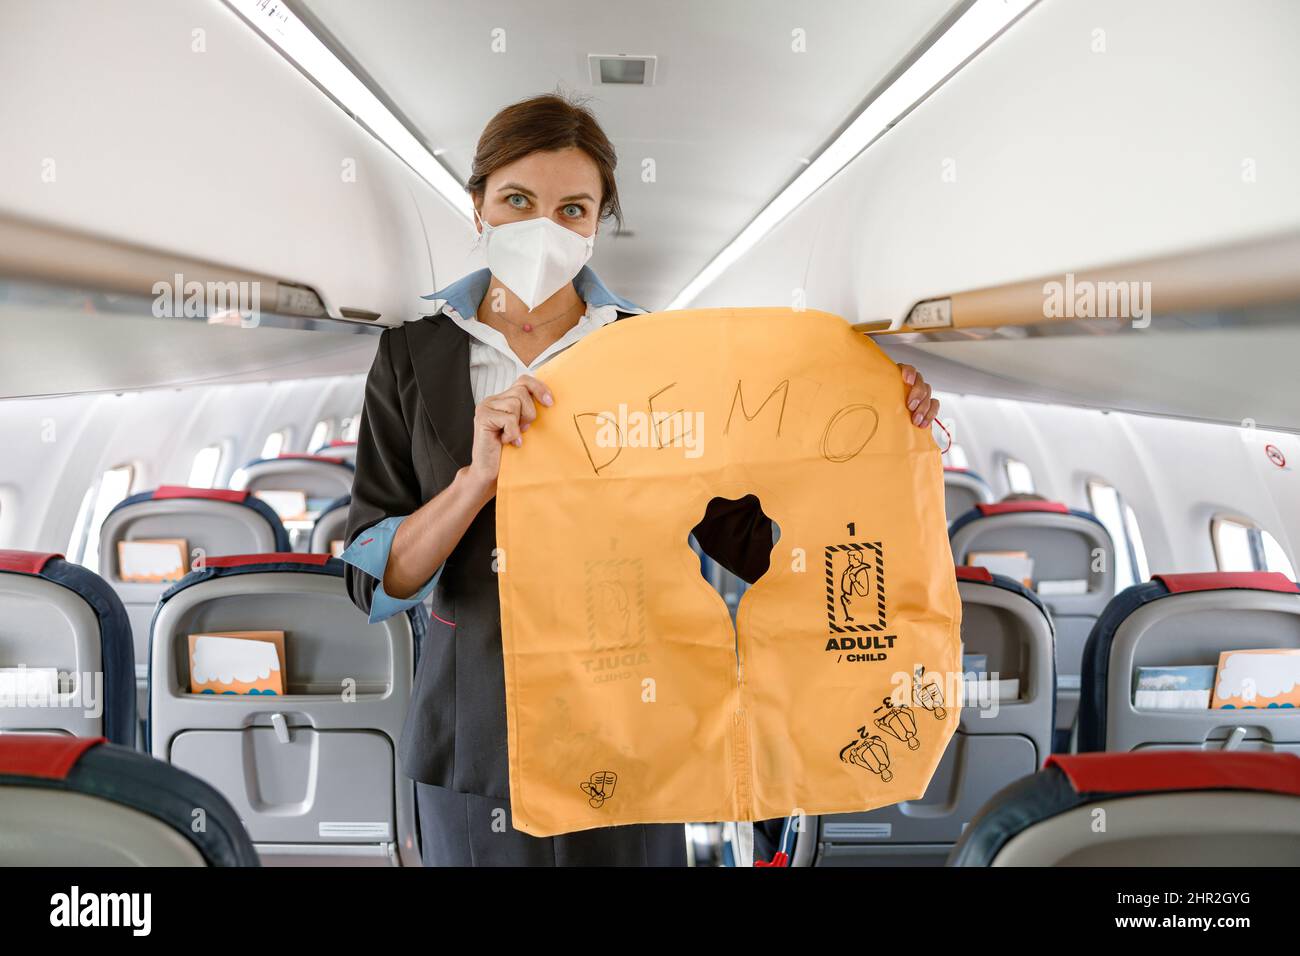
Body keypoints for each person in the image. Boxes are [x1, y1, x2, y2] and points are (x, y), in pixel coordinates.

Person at [340, 91, 941, 867]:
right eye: (518, 200)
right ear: (478, 207)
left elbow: (751, 547)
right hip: (475, 732)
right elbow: (373, 579)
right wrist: (473, 483)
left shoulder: (656, 357)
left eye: (572, 209)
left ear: (596, 226)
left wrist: (877, 426)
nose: (543, 228)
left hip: (635, 728)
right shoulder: (410, 359)